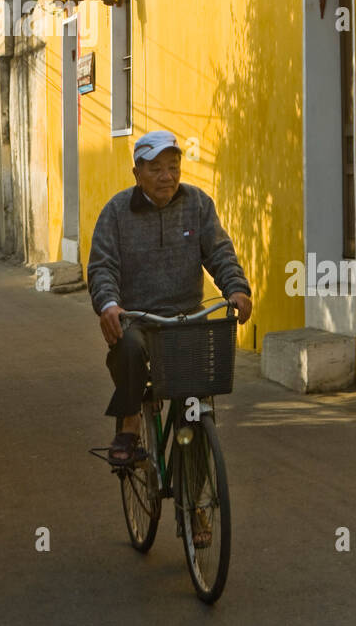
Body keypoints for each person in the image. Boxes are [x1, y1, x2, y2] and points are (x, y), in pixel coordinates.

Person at [87, 130, 252, 475]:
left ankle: (196, 507)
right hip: (140, 319)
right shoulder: (116, 212)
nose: (168, 176)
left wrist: (236, 288)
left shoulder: (198, 204)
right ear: (137, 173)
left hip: (188, 318)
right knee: (127, 345)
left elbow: (219, 252)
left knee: (194, 411)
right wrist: (108, 304)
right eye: (156, 168)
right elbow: (103, 266)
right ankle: (130, 419)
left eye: (174, 167)